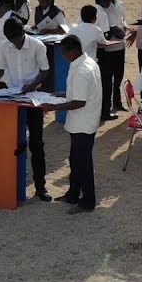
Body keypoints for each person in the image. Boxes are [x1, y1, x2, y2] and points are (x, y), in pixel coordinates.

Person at [0, 18, 52, 201]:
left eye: (16, 39)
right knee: (12, 143)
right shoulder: (5, 47)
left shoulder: (37, 46)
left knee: (36, 144)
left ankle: (40, 186)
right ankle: (11, 184)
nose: (14, 43)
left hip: (32, 98)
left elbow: (45, 71)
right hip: (12, 98)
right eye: (10, 39)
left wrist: (32, 84)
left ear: (23, 32)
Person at [44, 35, 103, 212]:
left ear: (72, 51)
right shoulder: (85, 63)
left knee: (83, 164)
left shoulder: (82, 70)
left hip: (83, 123)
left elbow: (80, 102)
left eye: (63, 52)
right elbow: (78, 93)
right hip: (81, 122)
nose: (63, 56)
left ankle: (88, 202)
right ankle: (73, 194)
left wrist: (55, 107)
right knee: (75, 161)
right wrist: (62, 94)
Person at [95, 0, 128, 116]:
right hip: (109, 50)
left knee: (118, 76)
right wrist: (121, 33)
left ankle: (117, 102)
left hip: (119, 47)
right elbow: (111, 30)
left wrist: (125, 29)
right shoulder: (101, 11)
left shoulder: (117, 4)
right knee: (107, 81)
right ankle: (105, 110)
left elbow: (121, 21)